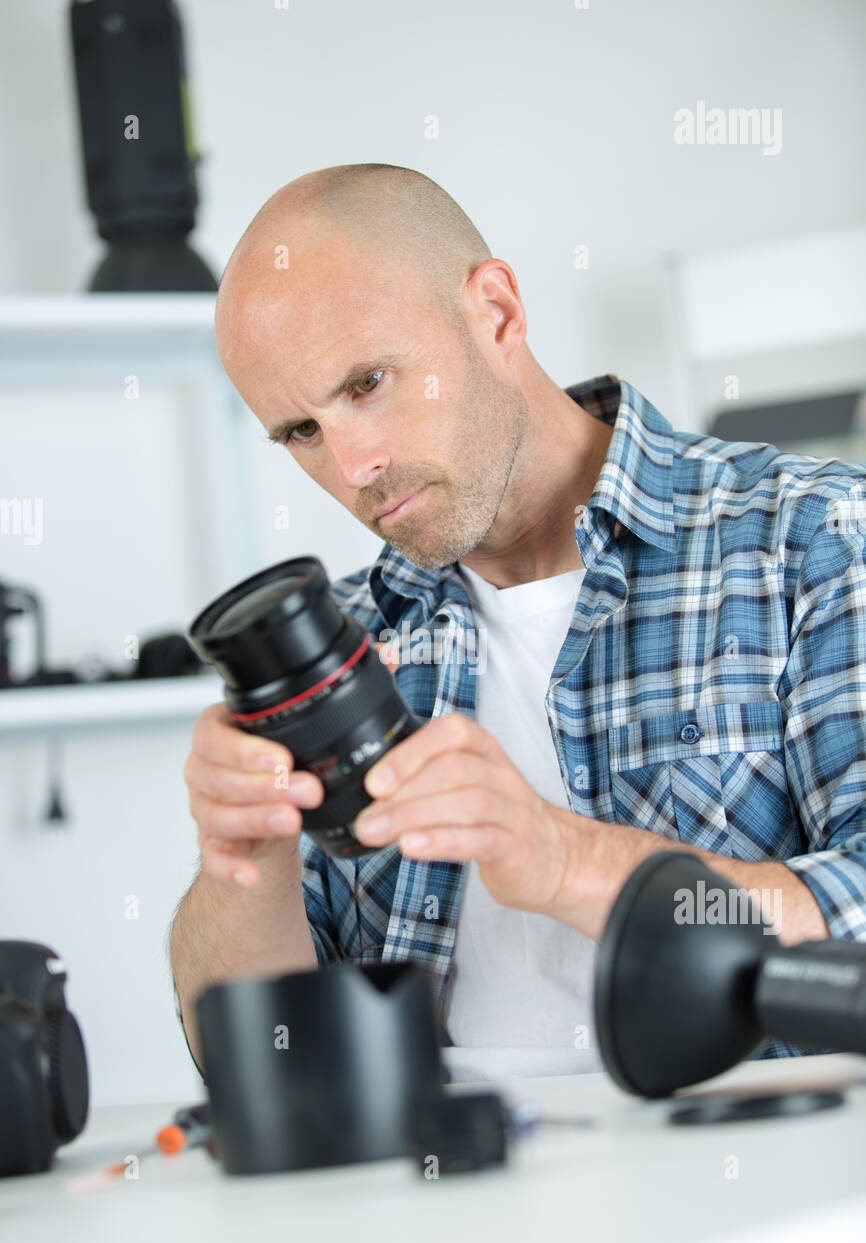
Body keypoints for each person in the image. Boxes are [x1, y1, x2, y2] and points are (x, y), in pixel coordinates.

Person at [170, 162, 866, 1080]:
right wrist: (243, 857)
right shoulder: (347, 641)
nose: (352, 465)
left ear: (495, 313)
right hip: (441, 1196)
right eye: (299, 432)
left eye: (368, 383)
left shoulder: (809, 538)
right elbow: (260, 1057)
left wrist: (564, 862)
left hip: (754, 1195)